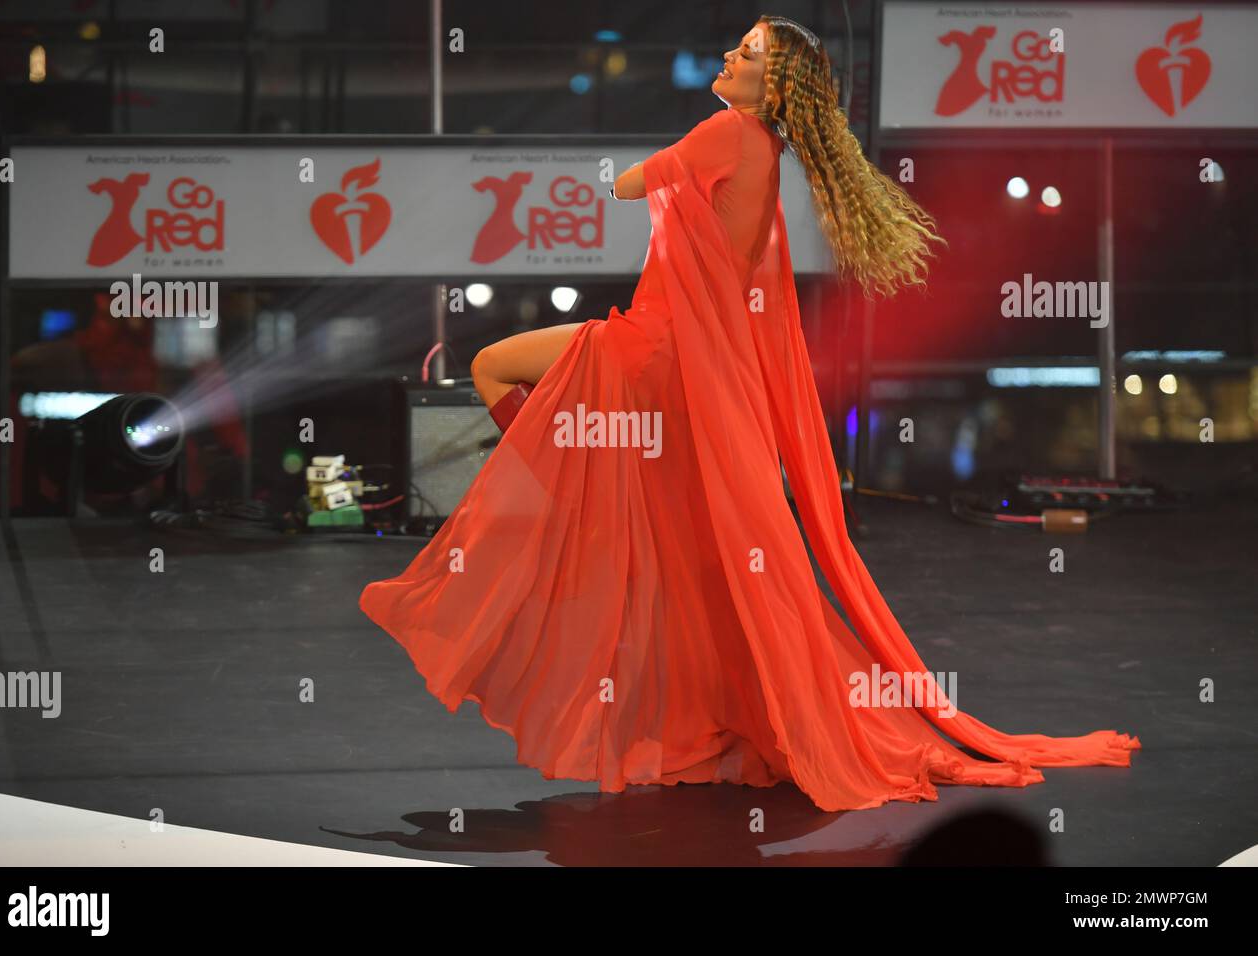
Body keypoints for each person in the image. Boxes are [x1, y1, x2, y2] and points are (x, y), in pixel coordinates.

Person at [360, 16, 1140, 812]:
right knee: (697, 562)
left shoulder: (727, 132)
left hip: (648, 354)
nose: (731, 56)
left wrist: (622, 171)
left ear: (773, 86)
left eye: (748, 53)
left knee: (492, 365)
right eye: (737, 46)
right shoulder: (764, 152)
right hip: (681, 370)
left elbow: (627, 185)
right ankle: (587, 507)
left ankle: (559, 489)